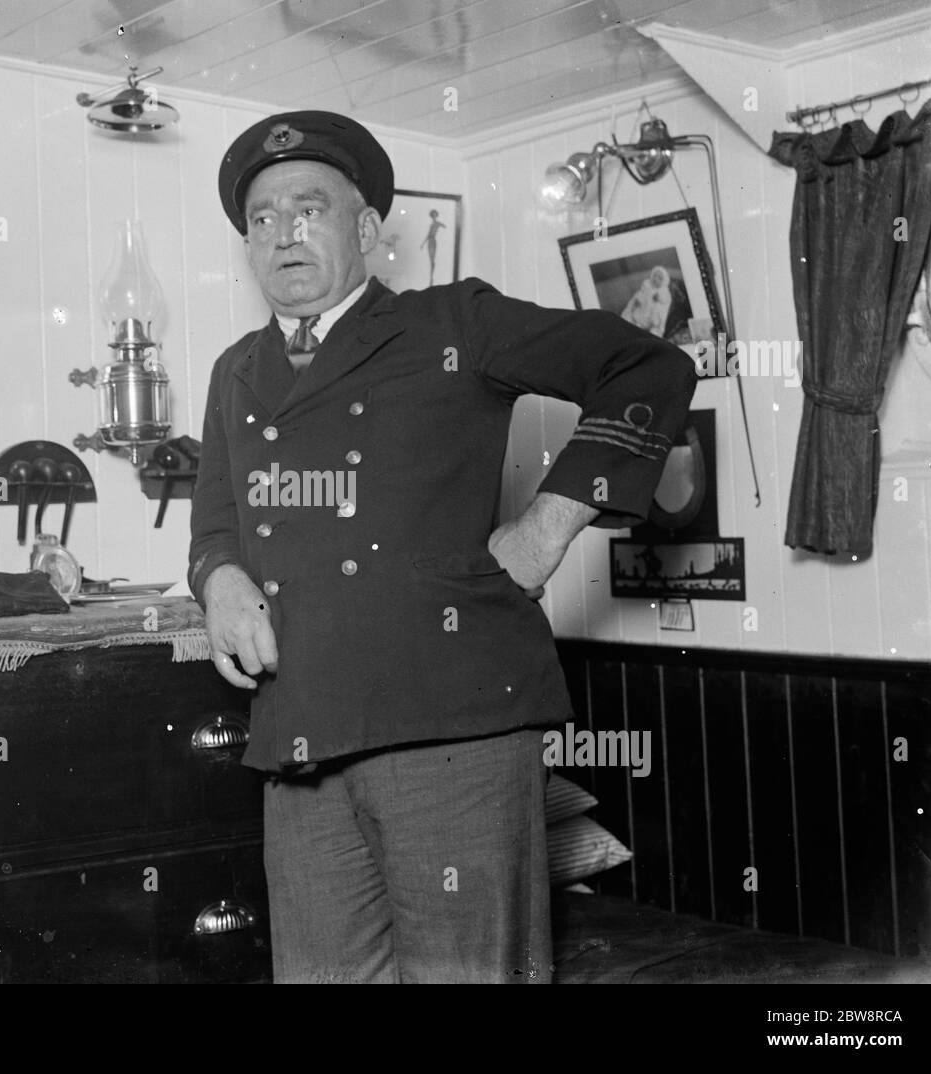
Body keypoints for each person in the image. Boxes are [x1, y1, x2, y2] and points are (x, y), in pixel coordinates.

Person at [188, 110, 697, 983]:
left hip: (451, 729)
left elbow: (649, 368)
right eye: (261, 221)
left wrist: (547, 528)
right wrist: (220, 579)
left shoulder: (453, 323)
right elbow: (216, 522)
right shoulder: (237, 367)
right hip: (300, 730)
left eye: (307, 210)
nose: (282, 236)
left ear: (368, 230)